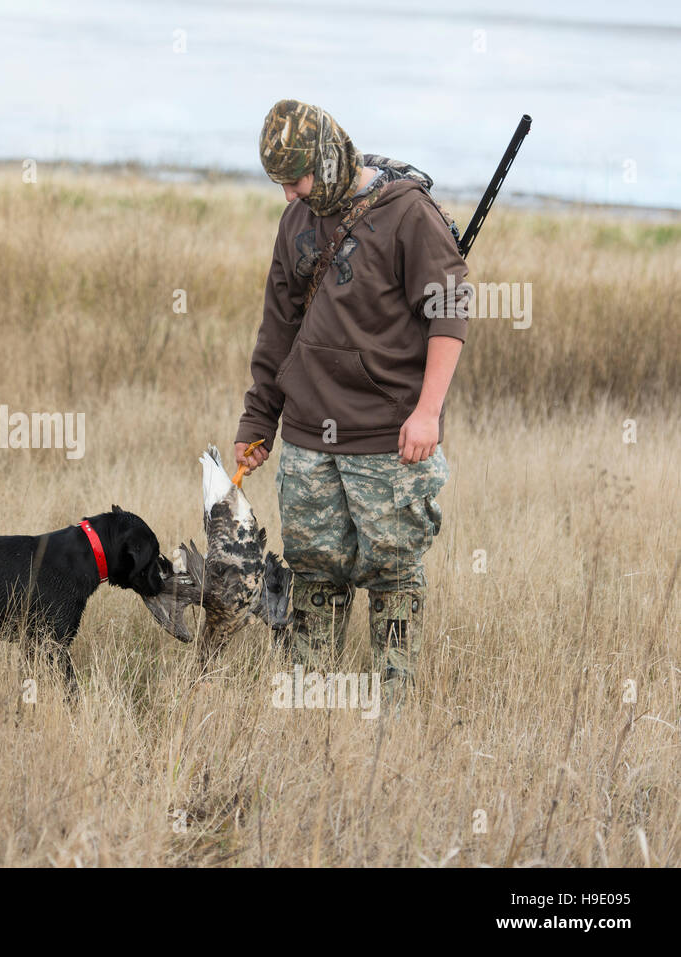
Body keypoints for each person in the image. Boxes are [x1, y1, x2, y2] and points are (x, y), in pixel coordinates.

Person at [234, 99, 471, 703]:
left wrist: (427, 413)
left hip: (388, 438)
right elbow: (277, 330)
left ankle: (395, 710)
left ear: (326, 158)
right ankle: (314, 703)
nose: (289, 195)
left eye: (296, 179)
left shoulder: (406, 214)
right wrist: (258, 420)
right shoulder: (296, 222)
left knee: (393, 572)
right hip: (309, 440)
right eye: (279, 183)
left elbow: (449, 312)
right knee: (314, 571)